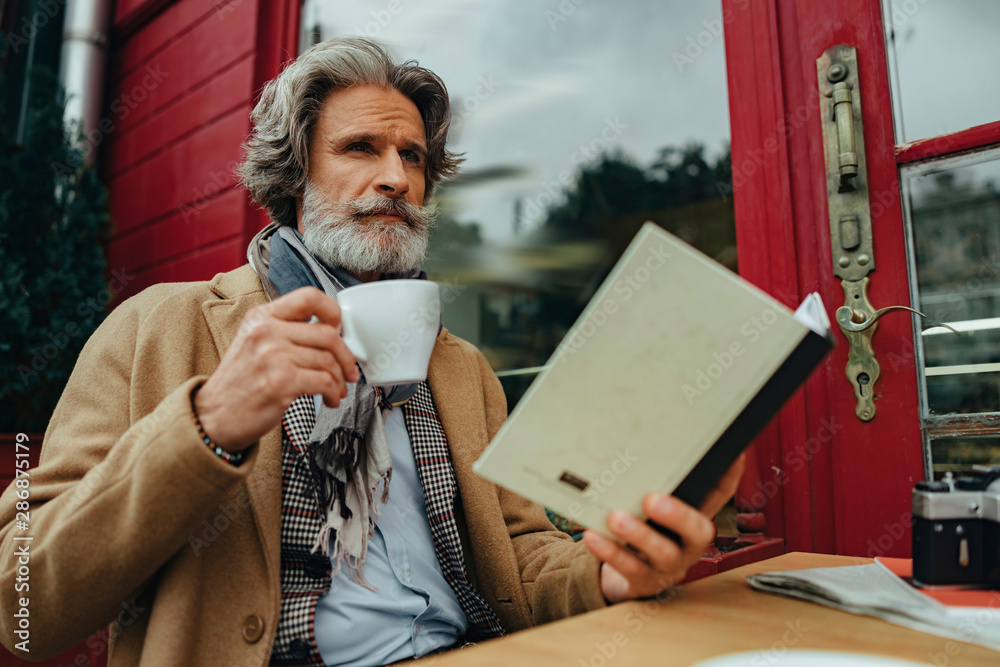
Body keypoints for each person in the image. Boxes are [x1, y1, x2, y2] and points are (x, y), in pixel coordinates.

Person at [0, 37, 742, 666]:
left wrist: (610, 574)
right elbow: (20, 605)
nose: (396, 176)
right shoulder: (158, 327)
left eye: (412, 156)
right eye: (361, 147)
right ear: (293, 177)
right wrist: (207, 425)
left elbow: (522, 559)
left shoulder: (459, 366)